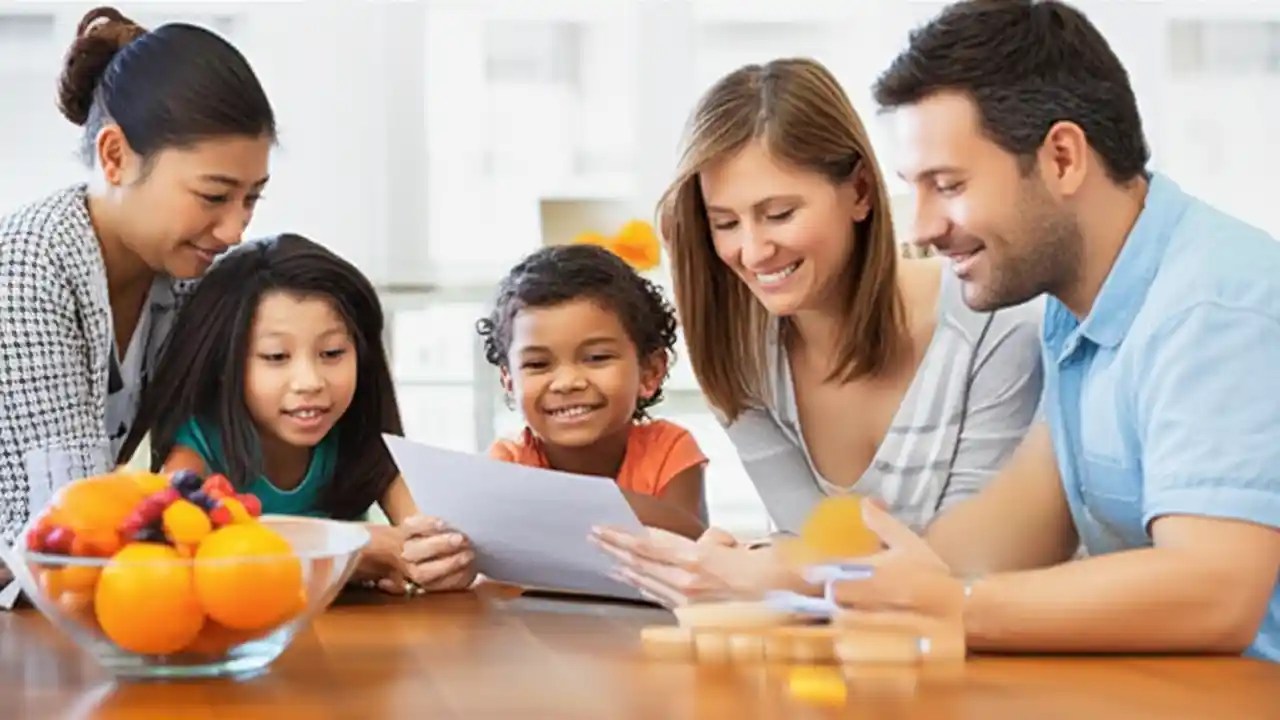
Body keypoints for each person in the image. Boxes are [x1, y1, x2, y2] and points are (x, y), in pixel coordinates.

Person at [611, 0, 1280, 661]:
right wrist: (790, 578)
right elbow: (993, 543)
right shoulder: (1075, 313)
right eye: (917, 188)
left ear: (1062, 159)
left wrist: (948, 607)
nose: (924, 227)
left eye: (949, 185)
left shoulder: (1213, 304)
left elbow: (1216, 593)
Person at [588, 56, 1044, 604]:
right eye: (725, 223)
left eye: (779, 214)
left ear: (860, 192)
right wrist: (759, 567)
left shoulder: (992, 323)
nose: (752, 251)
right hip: (860, 643)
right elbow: (810, 547)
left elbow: (964, 570)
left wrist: (760, 572)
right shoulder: (741, 352)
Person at [0, 7, 275, 590]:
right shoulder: (29, 261)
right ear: (115, 157)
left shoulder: (181, 272)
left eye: (251, 198)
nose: (234, 230)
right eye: (214, 196)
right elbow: (70, 531)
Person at [121, 235, 472, 594]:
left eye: (332, 353)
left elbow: (427, 538)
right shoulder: (199, 443)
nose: (310, 382)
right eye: (276, 357)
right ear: (224, 365)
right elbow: (175, 537)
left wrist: (443, 562)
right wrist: (360, 546)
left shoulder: (360, 434)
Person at [400, 245, 712, 590]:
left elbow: (692, 542)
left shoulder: (670, 449)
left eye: (596, 357)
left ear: (650, 372)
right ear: (509, 381)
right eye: (537, 364)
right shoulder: (507, 463)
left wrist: (555, 501)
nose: (567, 383)